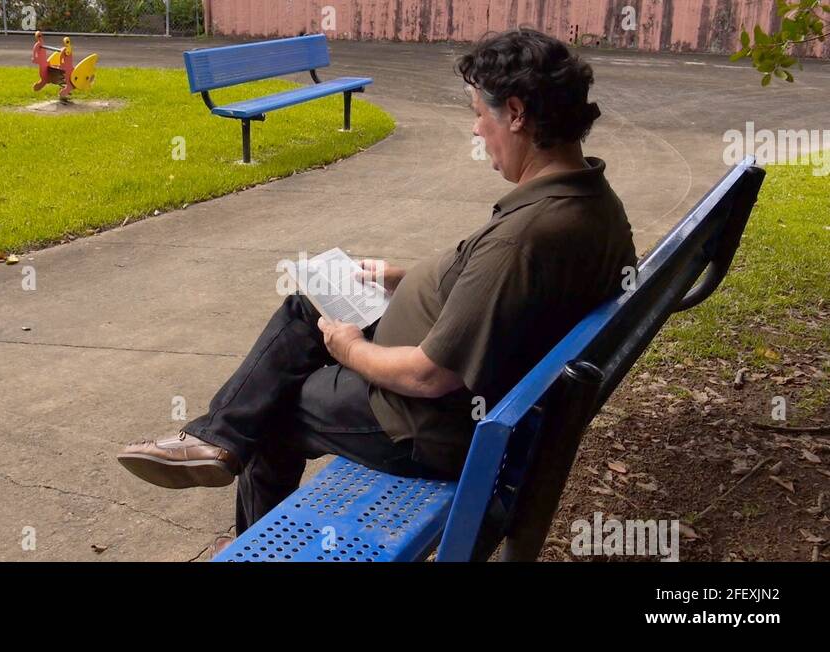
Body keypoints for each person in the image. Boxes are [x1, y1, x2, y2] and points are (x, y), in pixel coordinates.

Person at [117, 29, 638, 555]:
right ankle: (215, 438)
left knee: (271, 406)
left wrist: (352, 351)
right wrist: (402, 278)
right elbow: (502, 293)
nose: (477, 129)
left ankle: (237, 477)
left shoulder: (526, 235)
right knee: (308, 304)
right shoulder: (593, 201)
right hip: (479, 392)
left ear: (518, 114)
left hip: (422, 421)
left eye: (480, 112)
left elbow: (429, 376)